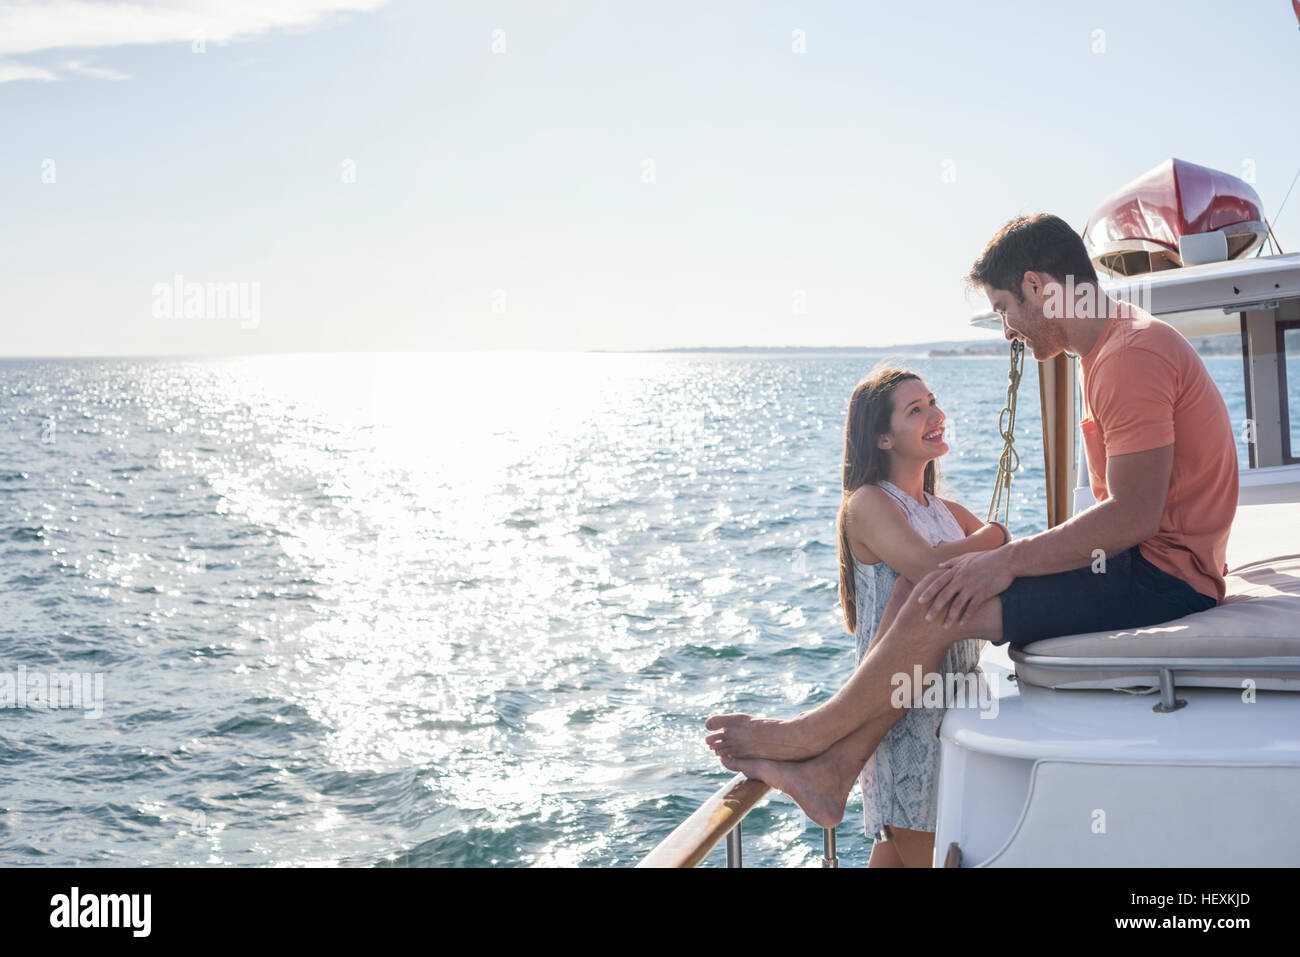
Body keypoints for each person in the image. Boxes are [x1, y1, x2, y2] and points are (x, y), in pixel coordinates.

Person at [703, 213, 1238, 839]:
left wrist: (1004, 561)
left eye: (1005, 308)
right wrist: (988, 559)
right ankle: (836, 769)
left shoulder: (1128, 355)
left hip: (1167, 576)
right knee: (929, 589)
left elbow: (1134, 514)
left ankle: (812, 736)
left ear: (1039, 287)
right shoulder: (1105, 349)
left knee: (944, 598)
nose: (1008, 329)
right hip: (1142, 562)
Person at [828, 364, 1009, 867]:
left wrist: (994, 541)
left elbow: (1007, 558)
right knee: (928, 857)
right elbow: (932, 568)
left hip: (951, 708)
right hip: (905, 714)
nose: (936, 415)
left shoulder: (943, 510)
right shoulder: (868, 504)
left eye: (932, 402)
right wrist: (992, 536)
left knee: (896, 857)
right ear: (882, 438)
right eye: (916, 410)